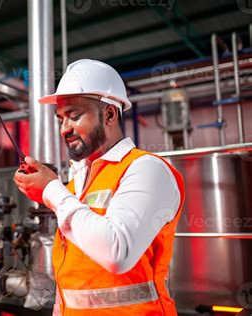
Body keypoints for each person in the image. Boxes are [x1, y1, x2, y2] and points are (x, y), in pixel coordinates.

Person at [14, 59, 185, 316]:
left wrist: (51, 189)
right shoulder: (75, 184)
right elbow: (70, 281)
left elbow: (118, 253)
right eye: (60, 119)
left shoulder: (146, 169)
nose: (64, 129)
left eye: (74, 116)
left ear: (109, 114)